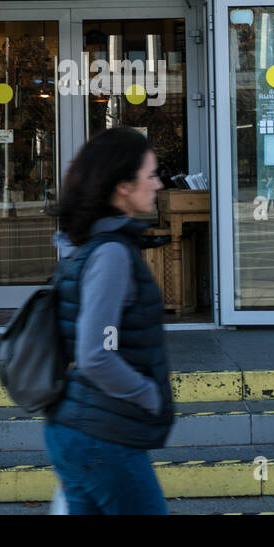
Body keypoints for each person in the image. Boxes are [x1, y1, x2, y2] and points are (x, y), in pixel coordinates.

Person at [43, 126, 175, 514]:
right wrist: (148, 394)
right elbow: (96, 354)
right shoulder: (111, 254)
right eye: (150, 175)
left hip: (81, 430)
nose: (159, 184)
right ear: (122, 186)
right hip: (102, 438)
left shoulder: (89, 245)